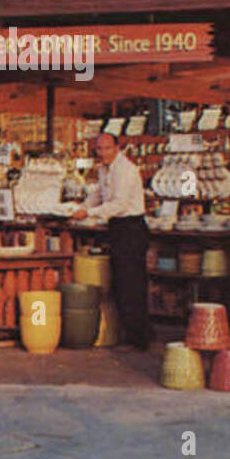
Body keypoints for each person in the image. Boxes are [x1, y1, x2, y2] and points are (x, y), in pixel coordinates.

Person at [72, 132, 151, 350]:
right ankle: (133, 333)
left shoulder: (126, 170)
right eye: (99, 149)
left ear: (117, 148)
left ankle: (138, 339)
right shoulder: (104, 170)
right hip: (118, 228)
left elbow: (119, 204)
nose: (103, 153)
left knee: (132, 284)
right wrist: (82, 208)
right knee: (121, 283)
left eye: (107, 148)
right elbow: (98, 194)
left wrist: (89, 214)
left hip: (131, 227)